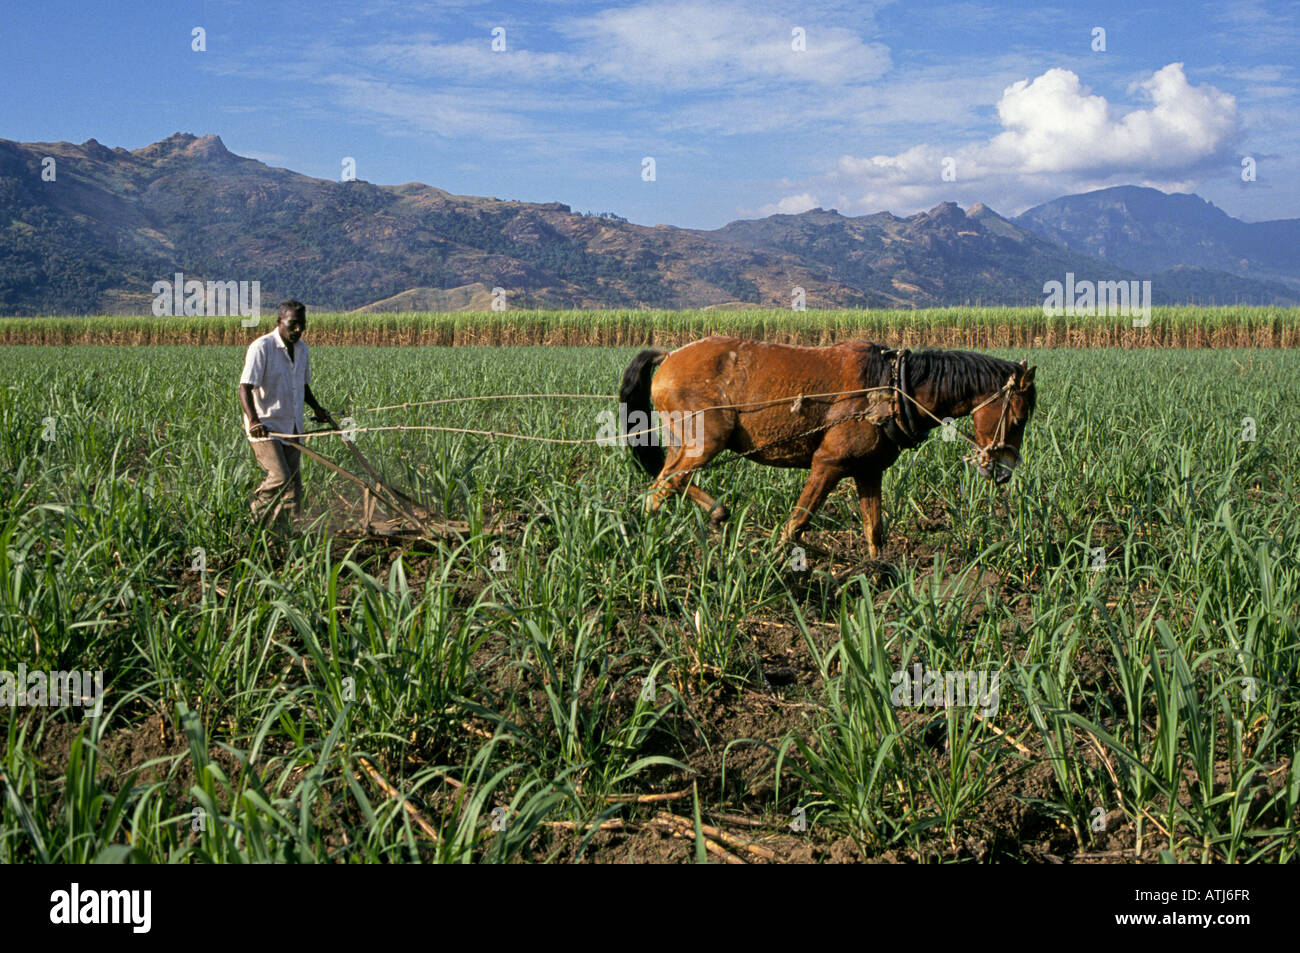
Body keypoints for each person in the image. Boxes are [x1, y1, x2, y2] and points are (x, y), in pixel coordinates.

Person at [238, 300, 337, 528]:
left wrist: (317, 409)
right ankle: (249, 525)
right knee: (280, 477)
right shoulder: (262, 347)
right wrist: (254, 420)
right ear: (279, 322)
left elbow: (302, 386)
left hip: (292, 427)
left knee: (293, 486)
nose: (298, 330)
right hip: (266, 428)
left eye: (302, 325)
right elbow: (245, 387)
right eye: (293, 324)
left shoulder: (302, 349)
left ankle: (288, 533)